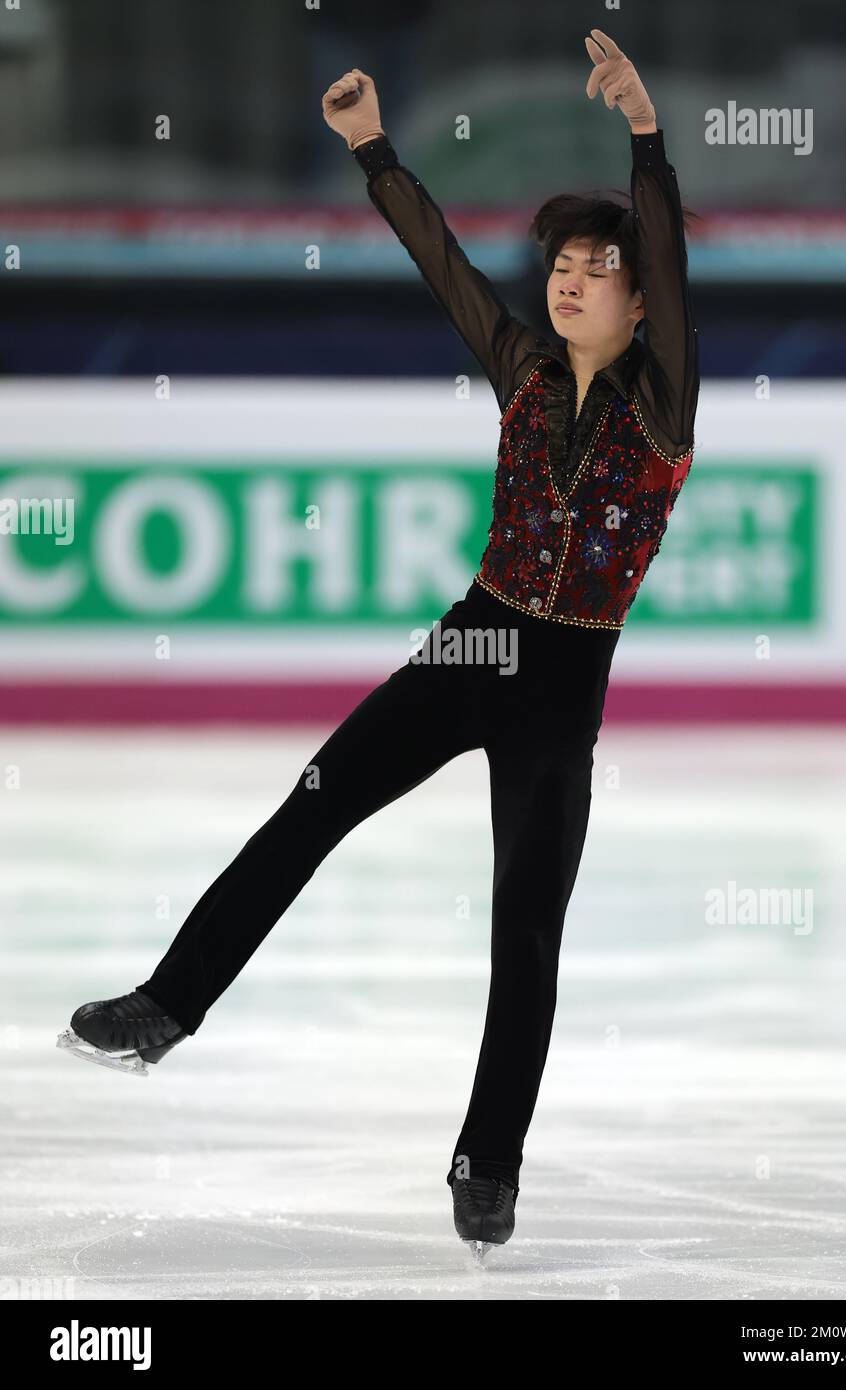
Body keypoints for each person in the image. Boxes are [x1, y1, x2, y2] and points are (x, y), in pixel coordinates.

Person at [57, 30, 699, 1258]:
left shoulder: (664, 407)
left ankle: (485, 1165)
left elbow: (668, 255)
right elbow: (446, 268)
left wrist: (646, 137)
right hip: (475, 643)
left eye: (595, 270)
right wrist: (373, 154)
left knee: (527, 933)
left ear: (634, 298)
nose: (567, 283)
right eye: (559, 265)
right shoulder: (519, 369)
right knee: (312, 801)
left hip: (564, 690)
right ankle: (165, 1005)